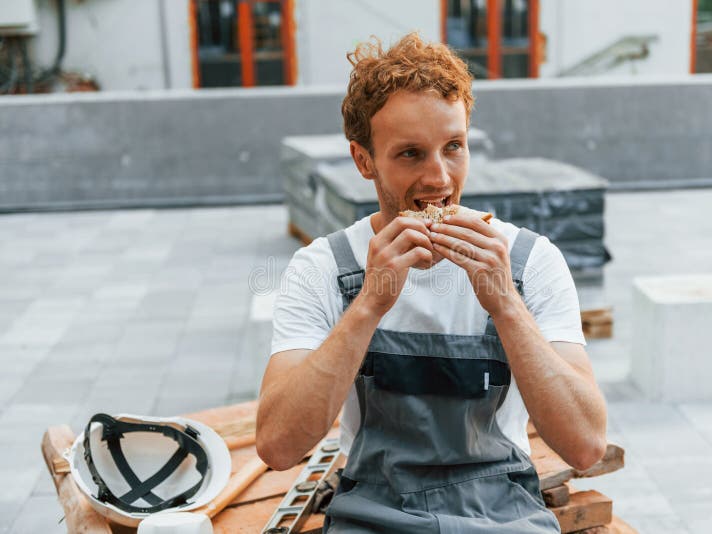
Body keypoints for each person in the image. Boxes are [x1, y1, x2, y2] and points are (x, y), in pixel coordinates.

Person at [256, 32, 607, 533]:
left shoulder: (531, 262)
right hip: (373, 515)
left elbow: (586, 446)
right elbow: (278, 446)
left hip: (503, 514)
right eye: (410, 154)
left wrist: (505, 303)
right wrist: (368, 306)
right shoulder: (323, 269)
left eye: (454, 147)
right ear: (363, 160)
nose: (439, 178)